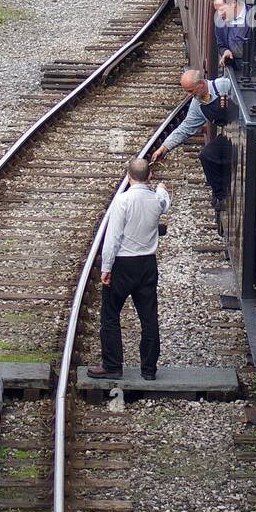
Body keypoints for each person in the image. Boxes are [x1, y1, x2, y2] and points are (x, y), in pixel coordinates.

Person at [87, 158, 170, 381]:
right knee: (149, 317)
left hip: (123, 264)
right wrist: (162, 190)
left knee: (110, 315)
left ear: (128, 176)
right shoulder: (156, 201)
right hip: (147, 264)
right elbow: (164, 202)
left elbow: (112, 237)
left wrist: (106, 267)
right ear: (150, 177)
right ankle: (149, 370)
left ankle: (113, 365)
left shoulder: (122, 201)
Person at [151, 69, 234, 208]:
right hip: (228, 134)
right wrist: (164, 147)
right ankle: (220, 195)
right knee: (206, 156)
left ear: (201, 84)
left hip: (240, 126)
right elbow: (185, 127)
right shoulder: (197, 105)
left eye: (191, 91)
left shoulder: (223, 85)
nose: (189, 95)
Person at [211, 0, 250, 66]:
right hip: (234, 69)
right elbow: (221, 45)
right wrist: (225, 51)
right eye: (217, 10)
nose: (219, 14)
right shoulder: (220, 21)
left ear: (233, 3)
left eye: (221, 9)